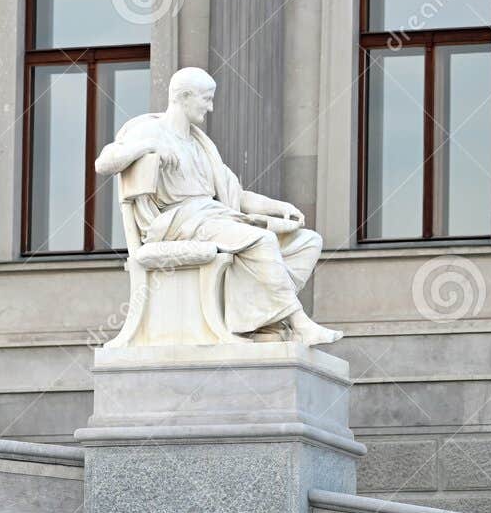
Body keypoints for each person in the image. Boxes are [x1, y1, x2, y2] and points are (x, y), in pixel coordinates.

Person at [93, 66, 341, 346]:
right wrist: (149, 146)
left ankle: (263, 321)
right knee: (262, 239)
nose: (210, 107)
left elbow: (236, 194)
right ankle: (300, 323)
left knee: (307, 241)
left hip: (214, 218)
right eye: (206, 99)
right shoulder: (149, 130)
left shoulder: (201, 146)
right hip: (179, 223)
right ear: (184, 97)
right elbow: (104, 163)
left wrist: (278, 206)